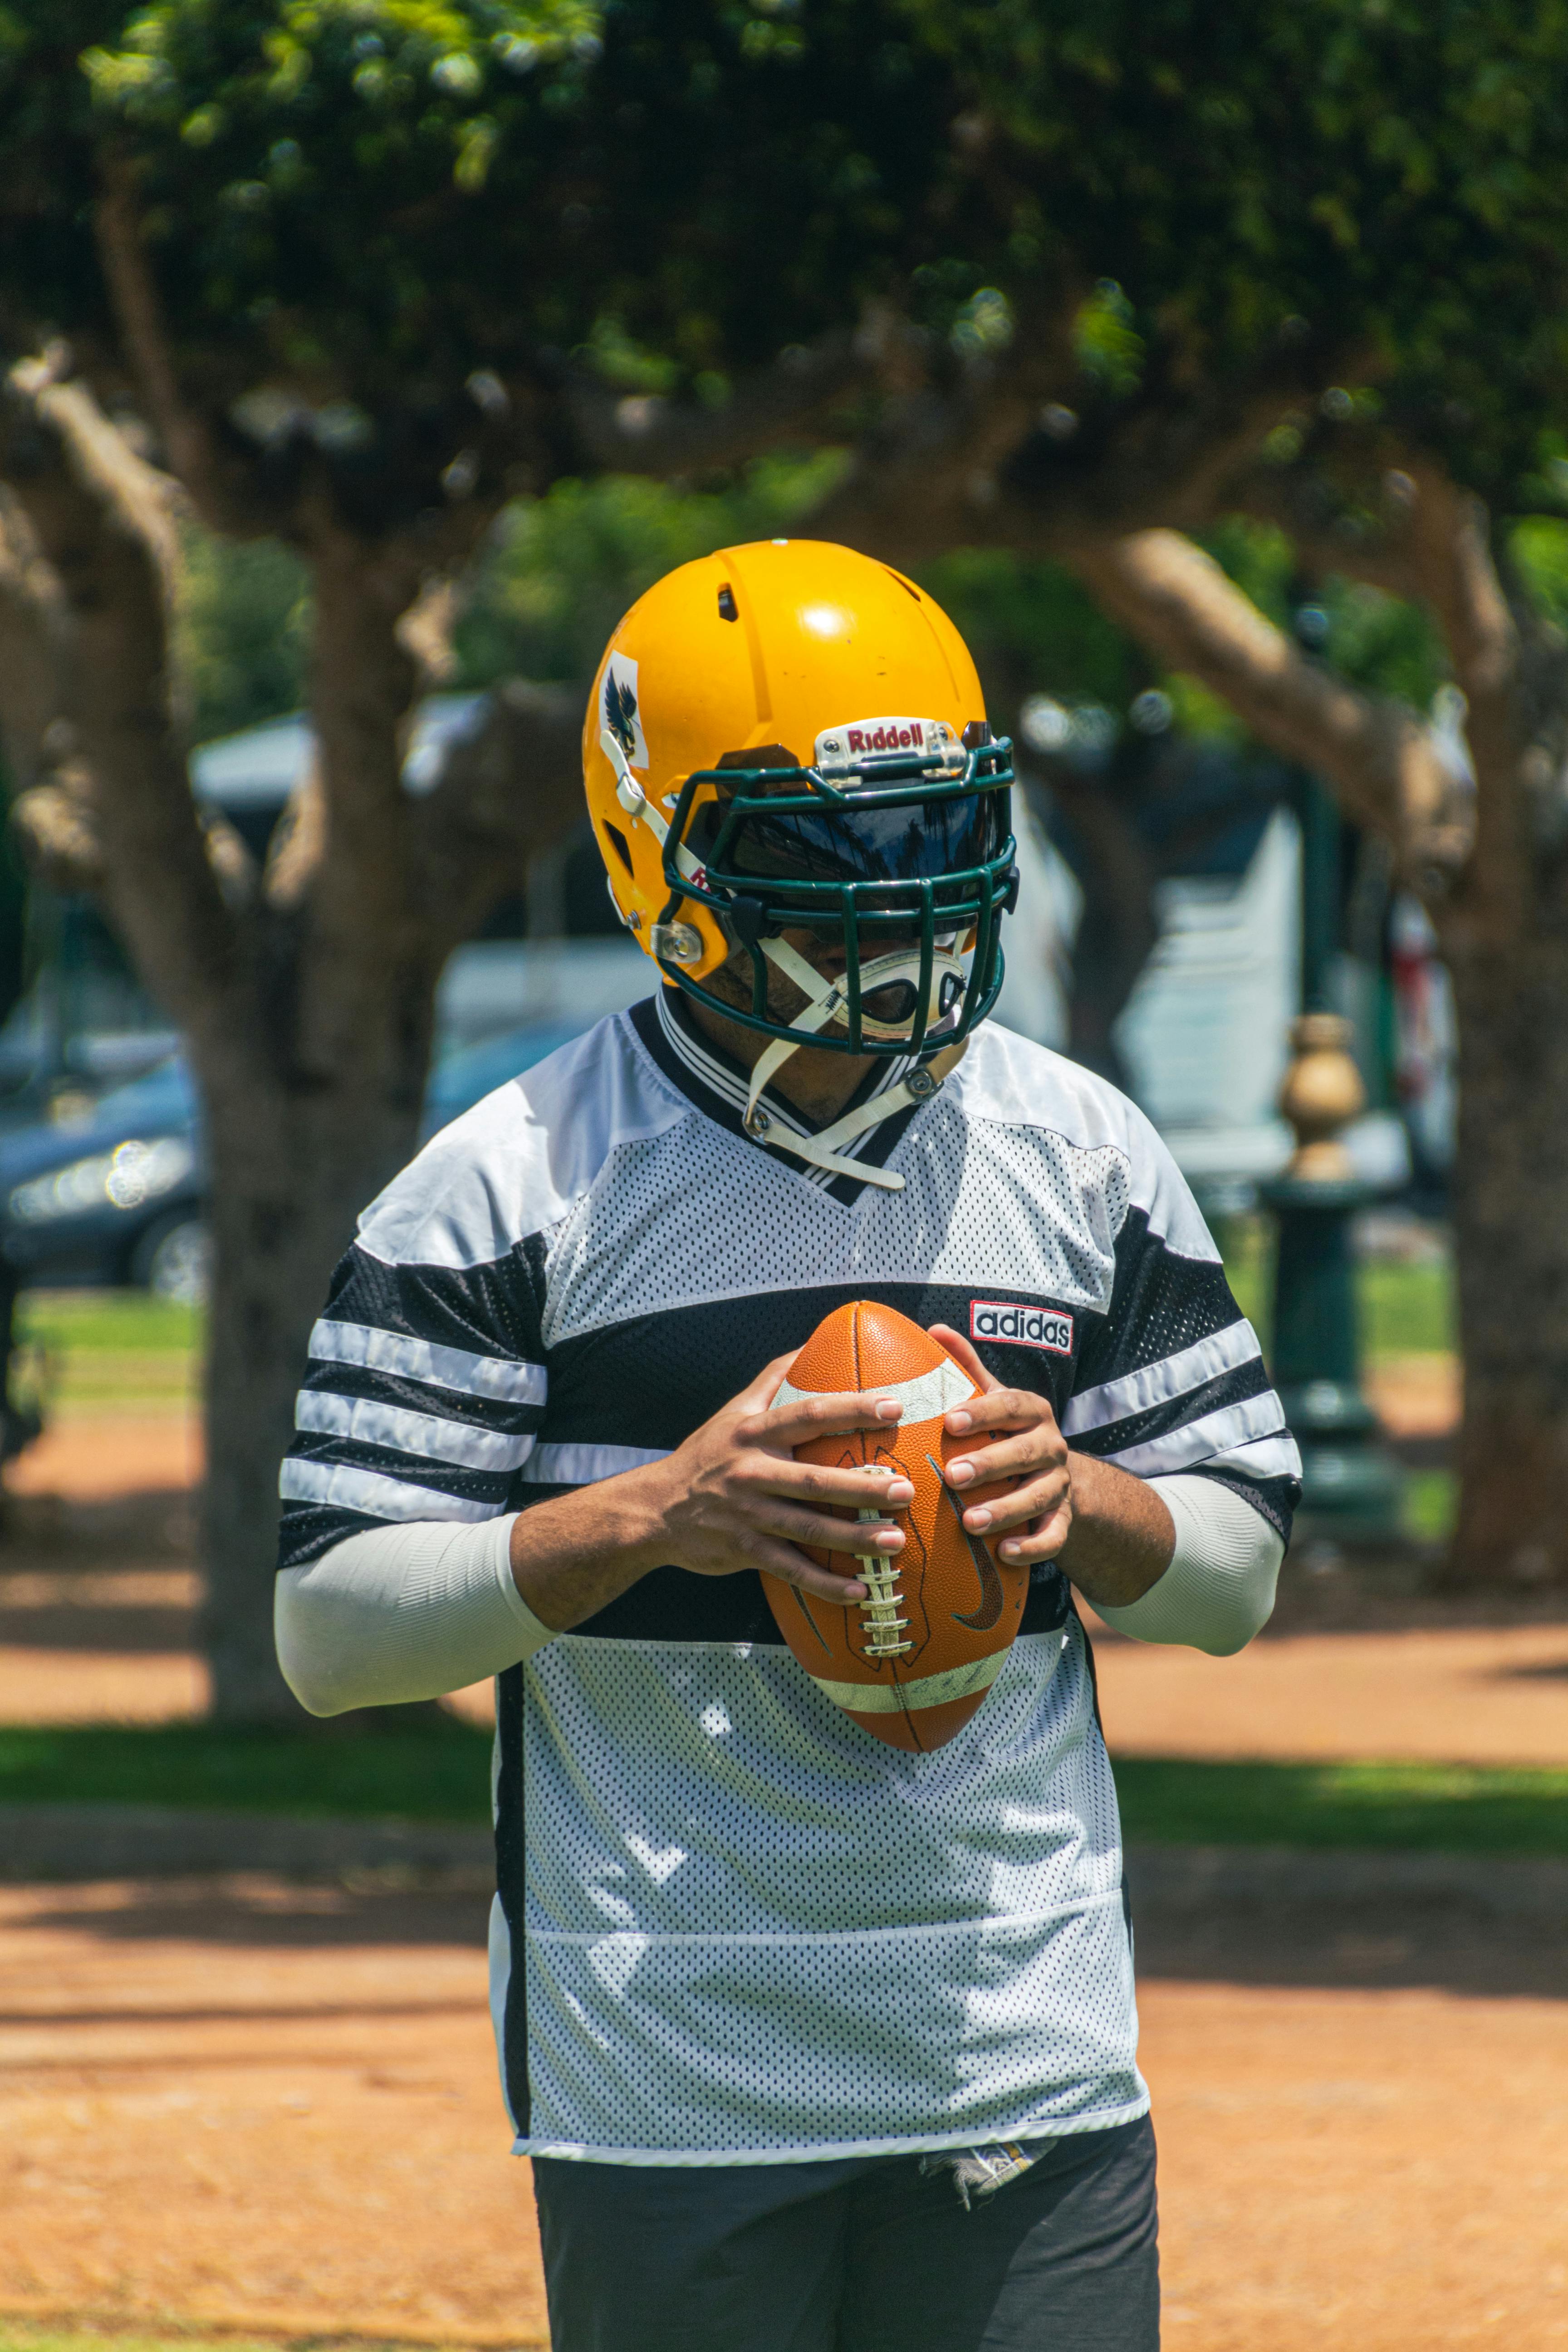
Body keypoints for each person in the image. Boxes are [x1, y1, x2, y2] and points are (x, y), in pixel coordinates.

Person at [274, 541, 1299, 2352]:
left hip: (1021, 2044)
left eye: (931, 835)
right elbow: (334, 1635)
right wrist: (660, 1514)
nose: (896, 902)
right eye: (826, 850)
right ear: (658, 854)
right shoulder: (510, 1183)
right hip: (668, 2063)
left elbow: (1237, 1583)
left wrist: (1089, 1505)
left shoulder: (1081, 1150)